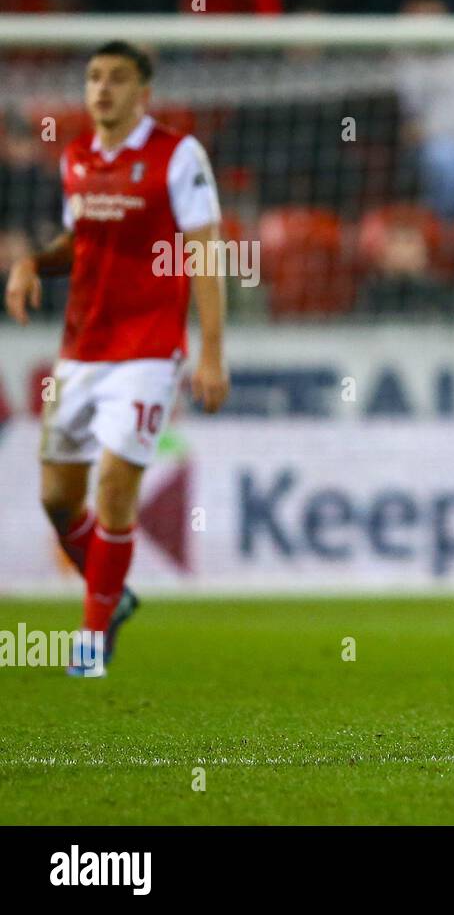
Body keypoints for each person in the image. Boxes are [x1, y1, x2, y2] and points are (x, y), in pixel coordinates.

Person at [3, 40, 229, 676]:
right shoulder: (75, 157)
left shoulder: (178, 156)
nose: (102, 89)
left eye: (118, 78)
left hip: (149, 351)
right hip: (81, 349)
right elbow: (81, 241)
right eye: (94, 77)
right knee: (56, 499)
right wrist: (32, 262)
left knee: (114, 486)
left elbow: (205, 250)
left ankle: (91, 640)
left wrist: (211, 351)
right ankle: (115, 595)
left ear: (143, 92)